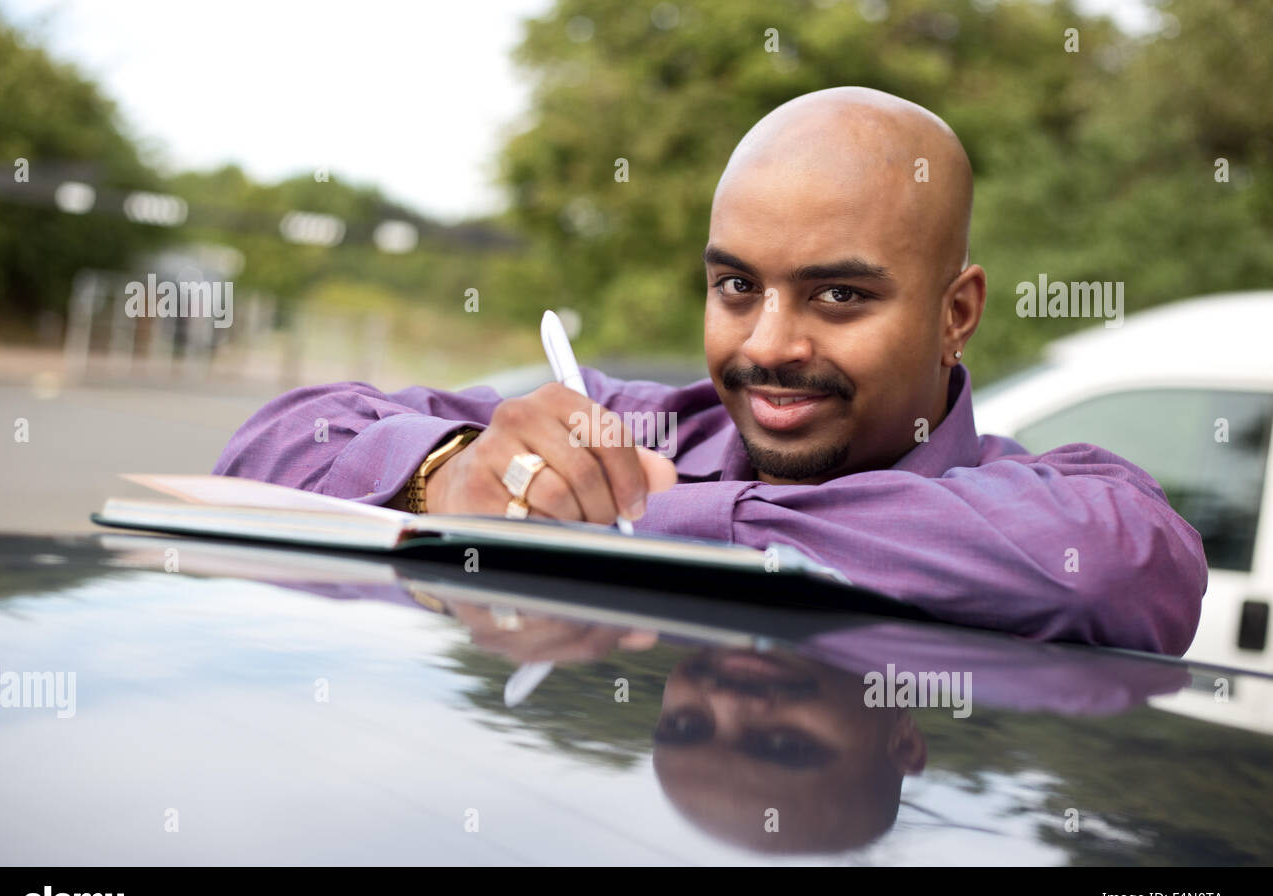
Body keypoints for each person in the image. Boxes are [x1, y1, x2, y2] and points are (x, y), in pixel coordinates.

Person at [214, 87, 1206, 654]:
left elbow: (1122, 570)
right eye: (736, 285)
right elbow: (267, 445)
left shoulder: (1047, 506)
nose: (768, 343)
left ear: (955, 315)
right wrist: (454, 472)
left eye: (838, 296)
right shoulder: (638, 428)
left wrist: (644, 523)